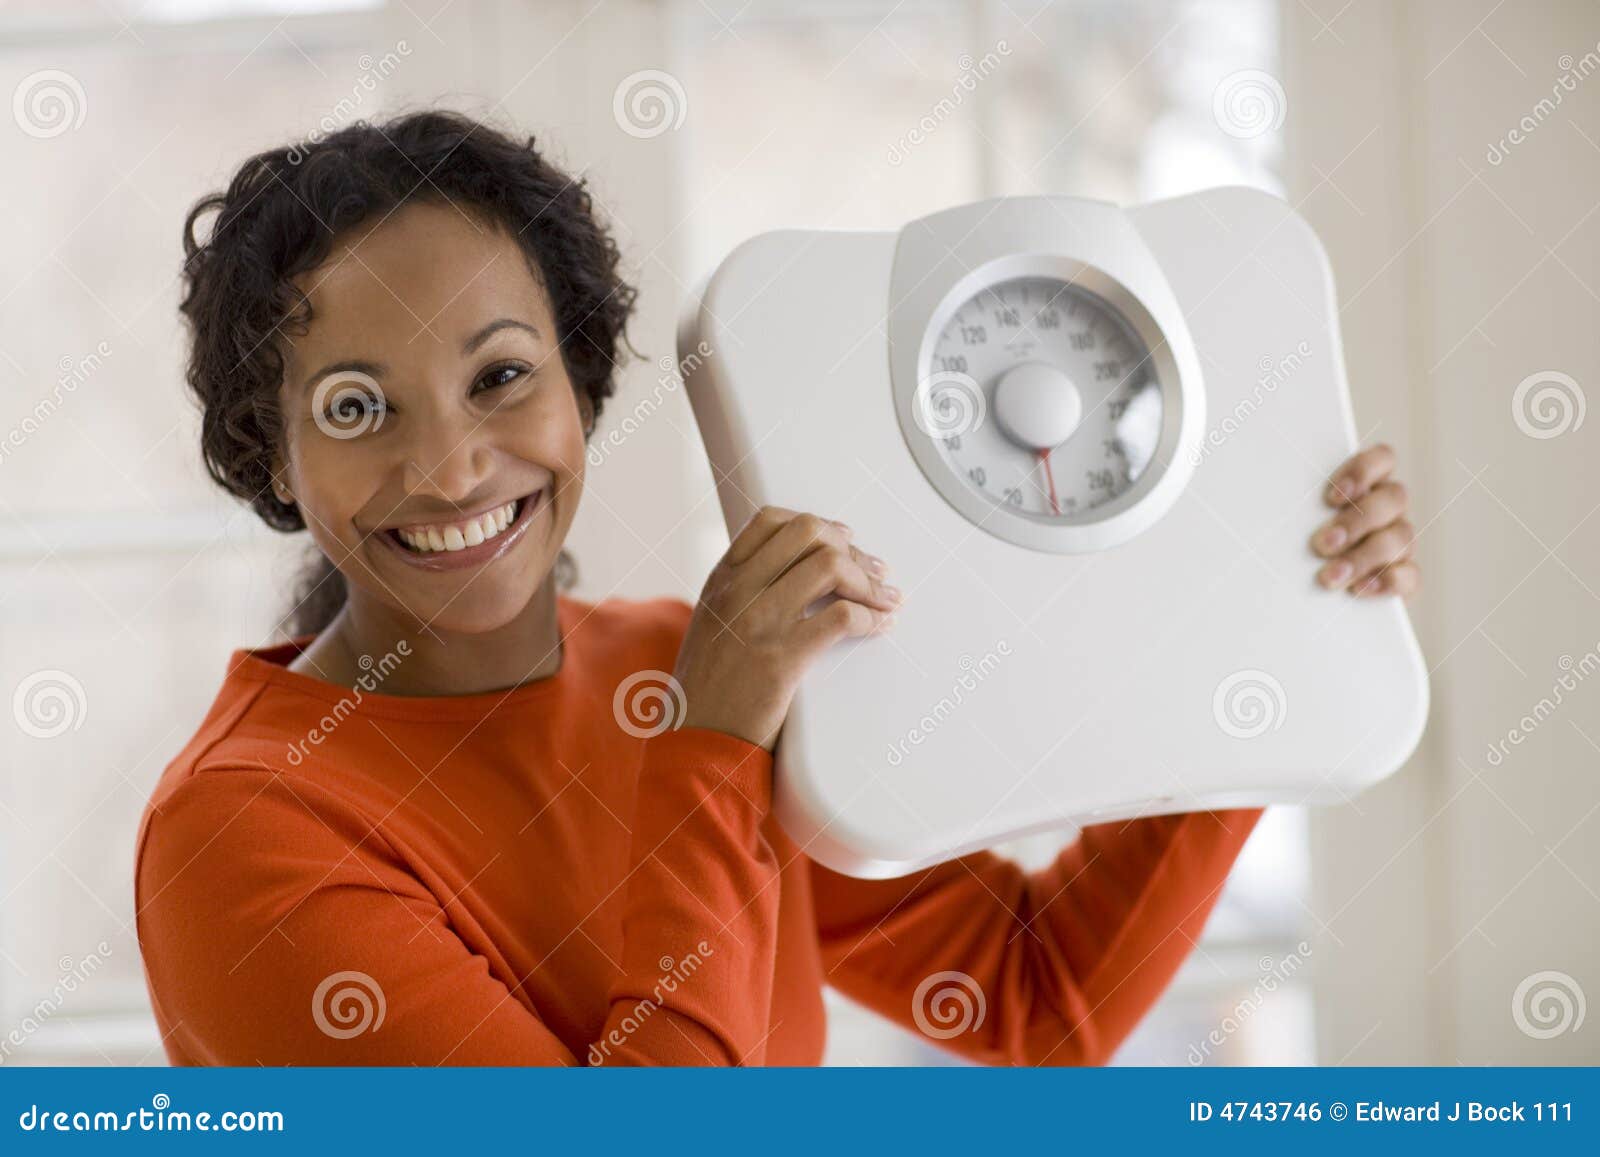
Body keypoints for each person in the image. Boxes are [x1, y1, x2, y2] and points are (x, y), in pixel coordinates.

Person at [134, 110, 1421, 1066]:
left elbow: (1037, 992)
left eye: (501, 375)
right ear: (272, 453)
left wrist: (1273, 618)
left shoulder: (676, 669)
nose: (449, 463)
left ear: (582, 388)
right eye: (356, 406)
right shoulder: (243, 835)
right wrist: (710, 749)